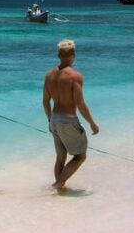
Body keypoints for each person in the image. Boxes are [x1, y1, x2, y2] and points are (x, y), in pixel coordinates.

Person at [42, 39, 99, 189]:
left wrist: (49, 119)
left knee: (61, 157)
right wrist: (92, 123)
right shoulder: (75, 76)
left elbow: (45, 102)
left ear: (58, 55)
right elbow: (80, 103)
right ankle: (58, 184)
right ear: (73, 55)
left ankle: (60, 190)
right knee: (80, 156)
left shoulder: (49, 75)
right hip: (68, 120)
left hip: (54, 119)